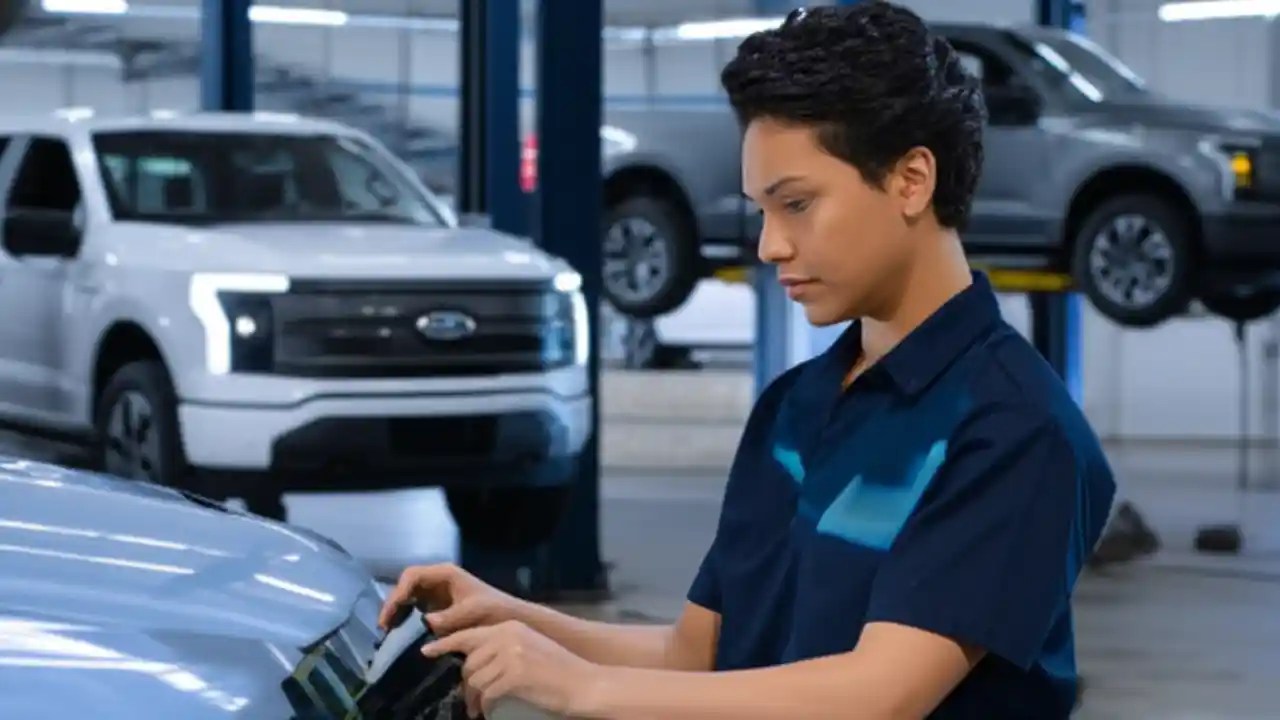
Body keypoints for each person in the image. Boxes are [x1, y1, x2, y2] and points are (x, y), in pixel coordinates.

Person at [378, 3, 1117, 718]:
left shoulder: (1017, 431)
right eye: (761, 210)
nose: (770, 246)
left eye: (796, 204)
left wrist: (579, 689)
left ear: (910, 181)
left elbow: (875, 698)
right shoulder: (797, 406)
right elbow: (694, 660)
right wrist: (512, 622)